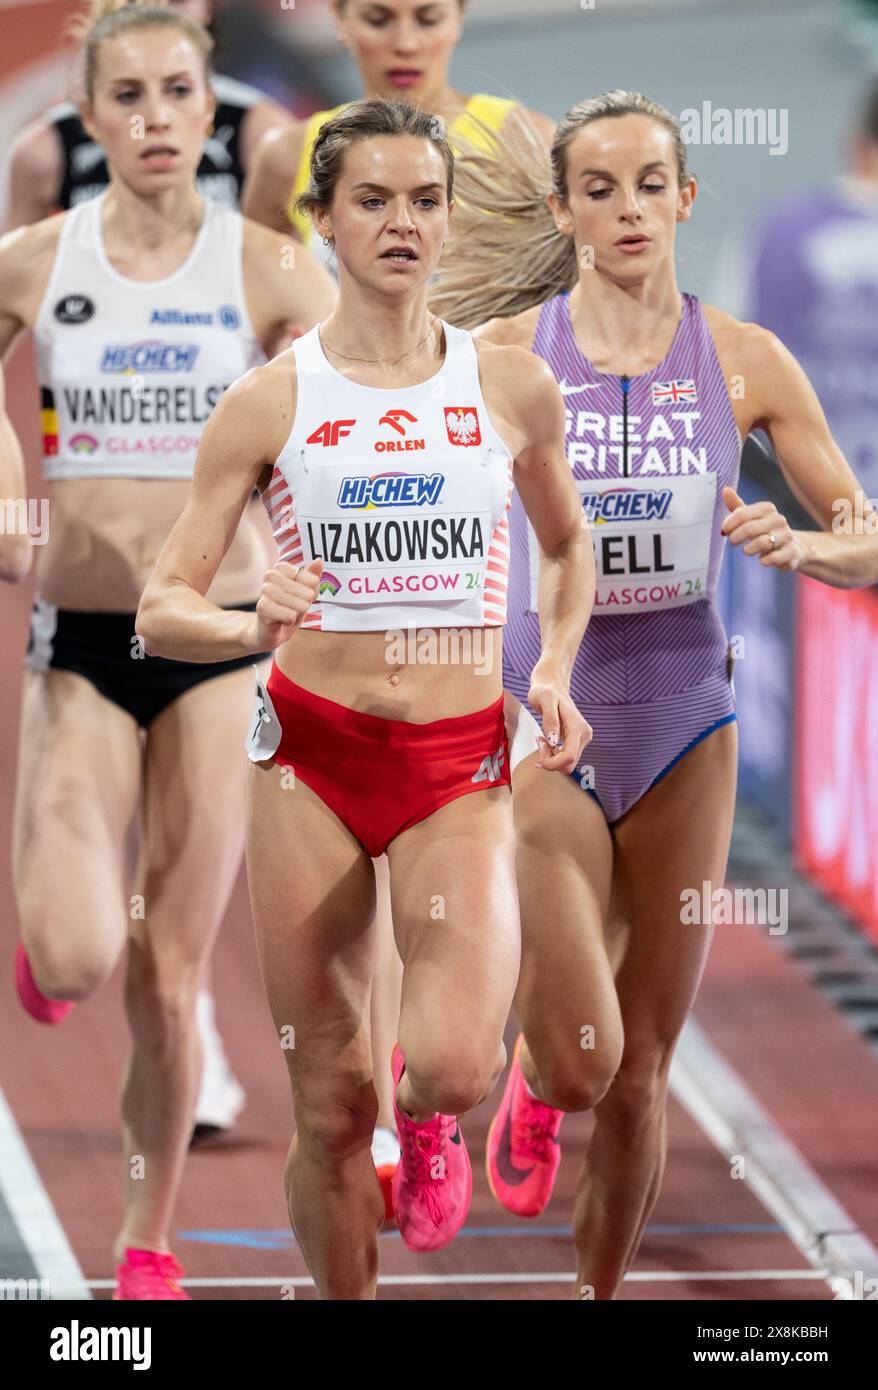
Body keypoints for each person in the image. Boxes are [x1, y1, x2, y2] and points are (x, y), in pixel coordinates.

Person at [136, 96, 594, 1298]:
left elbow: (566, 548)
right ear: (326, 220)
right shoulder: (271, 402)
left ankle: (435, 1121)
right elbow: (158, 609)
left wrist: (548, 663)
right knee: (328, 1101)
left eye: (425, 201)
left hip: (458, 768)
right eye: (374, 201)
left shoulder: (508, 390)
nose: (403, 224)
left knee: (443, 1064)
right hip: (312, 760)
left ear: (450, 221)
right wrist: (249, 619)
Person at [430, 89, 878, 1298]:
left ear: (683, 198)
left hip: (689, 728)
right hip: (550, 724)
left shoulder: (742, 361)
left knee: (641, 1074)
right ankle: (533, 1074)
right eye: (599, 188)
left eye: (648, 186)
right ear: (564, 211)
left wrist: (801, 546)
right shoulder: (509, 356)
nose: (627, 209)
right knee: (584, 1061)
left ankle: (597, 1297)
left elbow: (863, 535)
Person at [0, 2, 336, 1298]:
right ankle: (45, 946)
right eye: (126, 98)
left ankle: (147, 1239)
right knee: (81, 952)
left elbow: (344, 413)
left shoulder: (270, 269)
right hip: (83, 647)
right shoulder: (36, 257)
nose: (152, 119)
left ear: (213, 111)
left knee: (168, 969)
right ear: (89, 118)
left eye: (175, 95)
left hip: (221, 651)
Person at [242, 0, 556, 1190]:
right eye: (378, 14)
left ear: (460, 18)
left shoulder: (516, 141)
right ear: (340, 22)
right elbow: (263, 292)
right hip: (350, 495)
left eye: (427, 12)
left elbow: (552, 310)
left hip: (476, 489)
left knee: (482, 822)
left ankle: (467, 1073)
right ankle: (379, 1115)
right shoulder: (292, 153)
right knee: (347, 902)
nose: (405, 35)